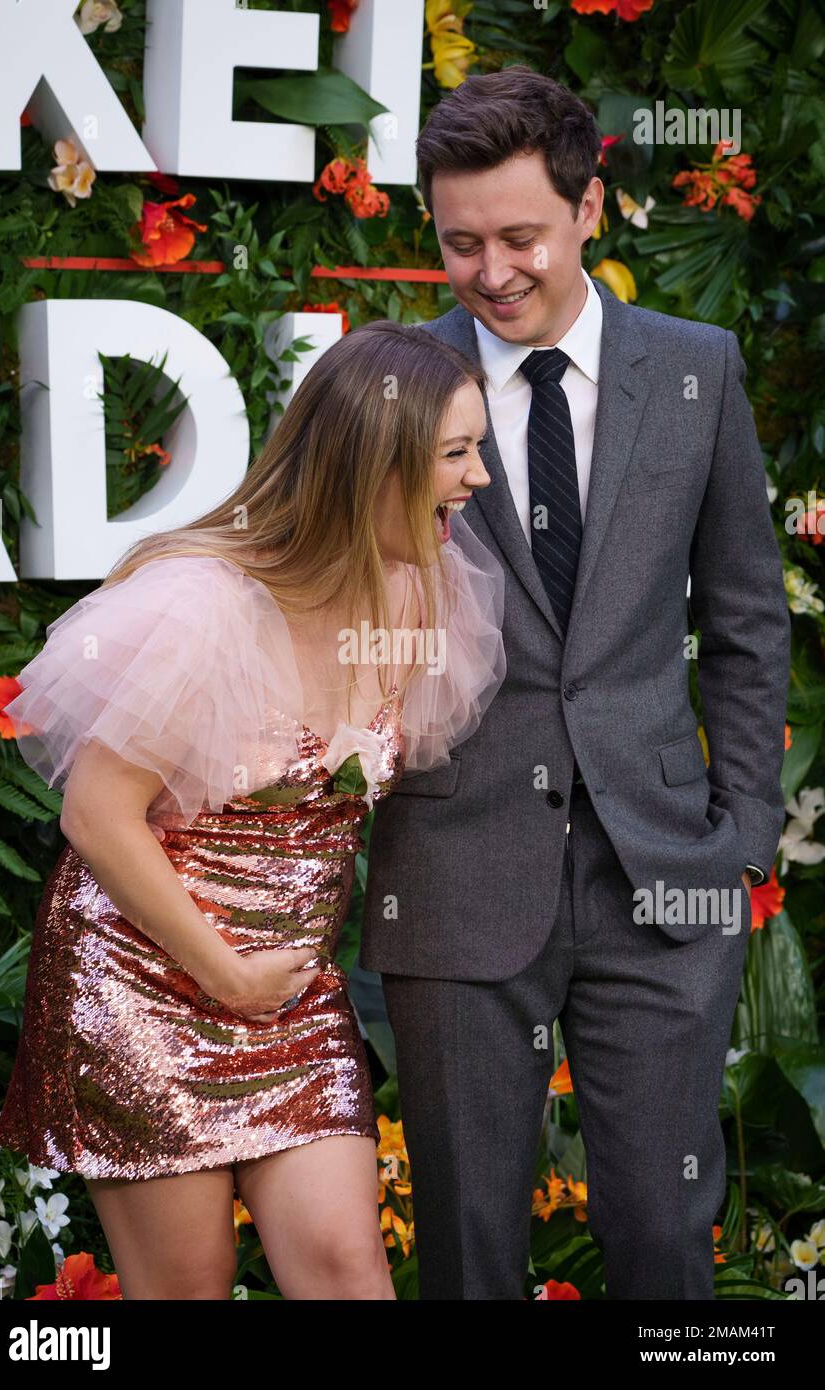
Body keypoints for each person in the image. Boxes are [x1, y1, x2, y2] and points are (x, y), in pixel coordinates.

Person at [361, 67, 791, 1300]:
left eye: (517, 238)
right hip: (452, 868)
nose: (489, 271)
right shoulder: (387, 380)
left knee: (662, 1237)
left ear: (588, 208)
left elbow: (747, 617)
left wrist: (744, 838)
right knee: (465, 1244)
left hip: (664, 872)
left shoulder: (696, 369)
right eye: (457, 244)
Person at [0, 321, 506, 1301]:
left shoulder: (412, 592)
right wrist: (224, 970)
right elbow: (97, 818)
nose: (477, 476)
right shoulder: (202, 605)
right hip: (147, 976)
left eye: (475, 448)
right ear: (371, 463)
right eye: (453, 453)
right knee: (188, 1284)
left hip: (288, 991)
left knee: (345, 1268)